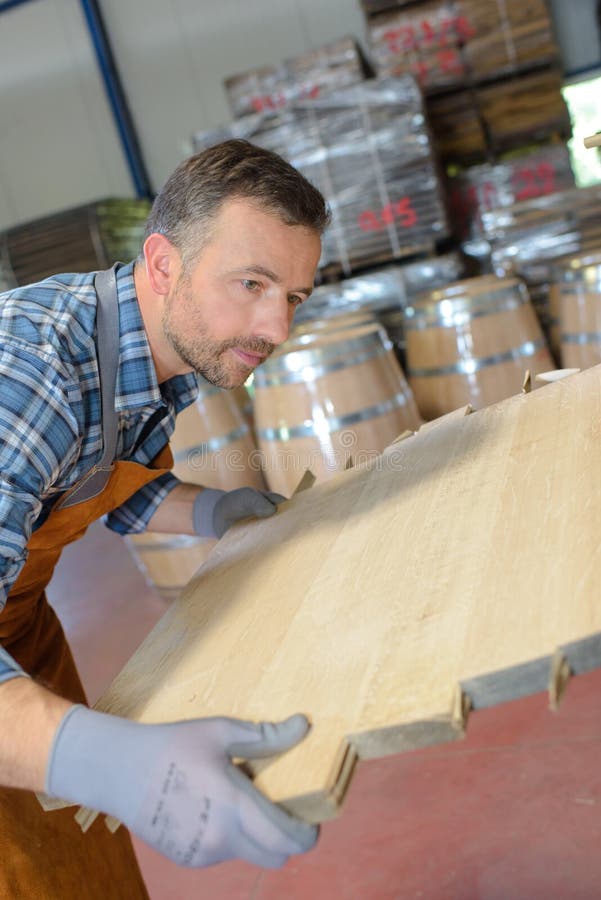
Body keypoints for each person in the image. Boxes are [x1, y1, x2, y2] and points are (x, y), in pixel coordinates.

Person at [0, 139, 329, 896]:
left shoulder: (153, 350)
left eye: (293, 297)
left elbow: (100, 477)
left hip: (17, 625)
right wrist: (108, 759)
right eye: (251, 282)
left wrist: (214, 509)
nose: (276, 327)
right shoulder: (32, 377)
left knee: (77, 860)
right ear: (161, 265)